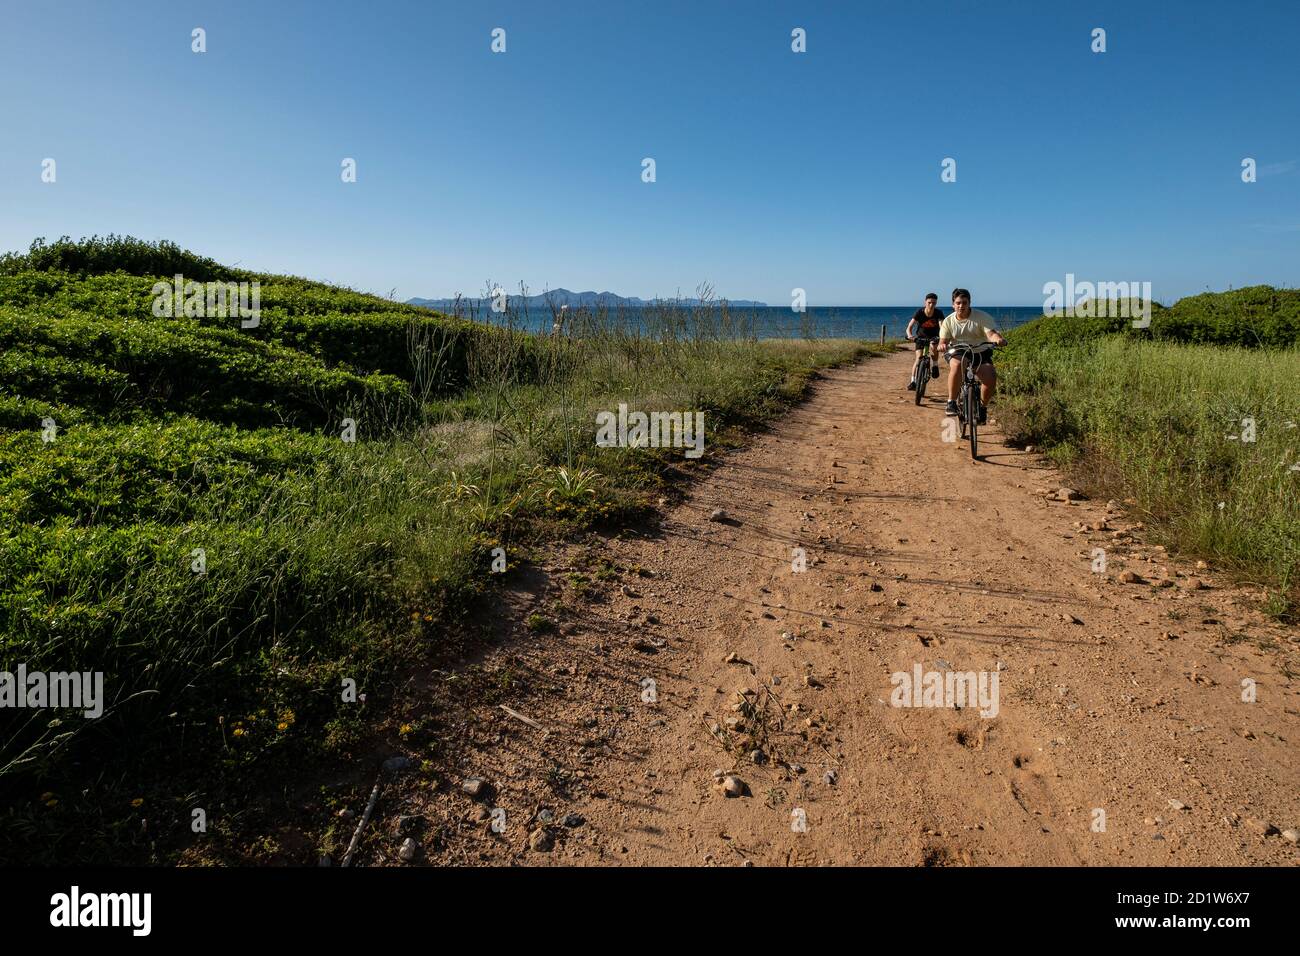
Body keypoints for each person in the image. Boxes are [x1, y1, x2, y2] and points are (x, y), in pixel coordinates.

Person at [937, 288, 1006, 423]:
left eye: (964, 302)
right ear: (953, 304)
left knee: (990, 377)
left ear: (969, 303)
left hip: (980, 351)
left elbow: (991, 334)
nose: (961, 306)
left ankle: (983, 407)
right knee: (958, 365)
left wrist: (998, 340)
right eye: (958, 303)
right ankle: (951, 402)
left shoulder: (981, 317)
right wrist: (942, 345)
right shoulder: (948, 321)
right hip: (958, 351)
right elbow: (943, 340)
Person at [904, 293, 943, 390]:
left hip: (934, 336)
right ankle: (913, 381)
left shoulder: (938, 313)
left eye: (934, 303)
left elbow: (942, 326)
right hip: (921, 337)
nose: (931, 305)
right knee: (918, 358)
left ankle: (935, 365)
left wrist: (942, 337)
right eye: (929, 302)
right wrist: (910, 335)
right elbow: (909, 326)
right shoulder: (920, 312)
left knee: (933, 347)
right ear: (925, 302)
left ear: (936, 303)